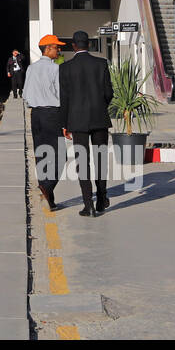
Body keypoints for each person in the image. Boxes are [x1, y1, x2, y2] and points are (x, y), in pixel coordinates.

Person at [59, 30, 113, 218]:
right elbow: (109, 93)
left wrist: (65, 124)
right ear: (88, 44)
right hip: (99, 119)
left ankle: (88, 204)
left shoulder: (65, 68)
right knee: (100, 159)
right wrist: (99, 106)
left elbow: (64, 99)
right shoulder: (101, 64)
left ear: (74, 46)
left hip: (77, 121)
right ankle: (102, 199)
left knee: (83, 161)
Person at [24, 35, 67, 211]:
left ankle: (49, 196)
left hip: (36, 114)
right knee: (59, 155)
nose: (59, 50)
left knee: (41, 153)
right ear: (48, 48)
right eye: (57, 47)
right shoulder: (55, 69)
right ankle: (47, 186)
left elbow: (26, 94)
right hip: (52, 114)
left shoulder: (31, 69)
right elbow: (61, 94)